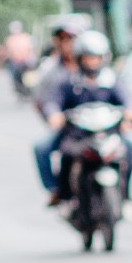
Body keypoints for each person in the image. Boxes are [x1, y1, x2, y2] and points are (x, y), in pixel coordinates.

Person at [45, 30, 132, 207]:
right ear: (80, 58)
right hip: (78, 135)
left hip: (109, 133)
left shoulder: (112, 80)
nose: (92, 62)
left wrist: (129, 114)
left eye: (95, 57)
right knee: (59, 151)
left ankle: (126, 195)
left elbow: (128, 101)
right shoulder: (70, 82)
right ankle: (62, 194)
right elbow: (54, 103)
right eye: (88, 57)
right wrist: (55, 115)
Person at [31, 16, 86, 192]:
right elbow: (41, 101)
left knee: (130, 144)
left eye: (72, 38)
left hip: (98, 123)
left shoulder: (94, 64)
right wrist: (53, 118)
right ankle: (55, 190)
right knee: (41, 147)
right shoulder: (50, 70)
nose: (68, 43)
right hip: (67, 125)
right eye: (64, 39)